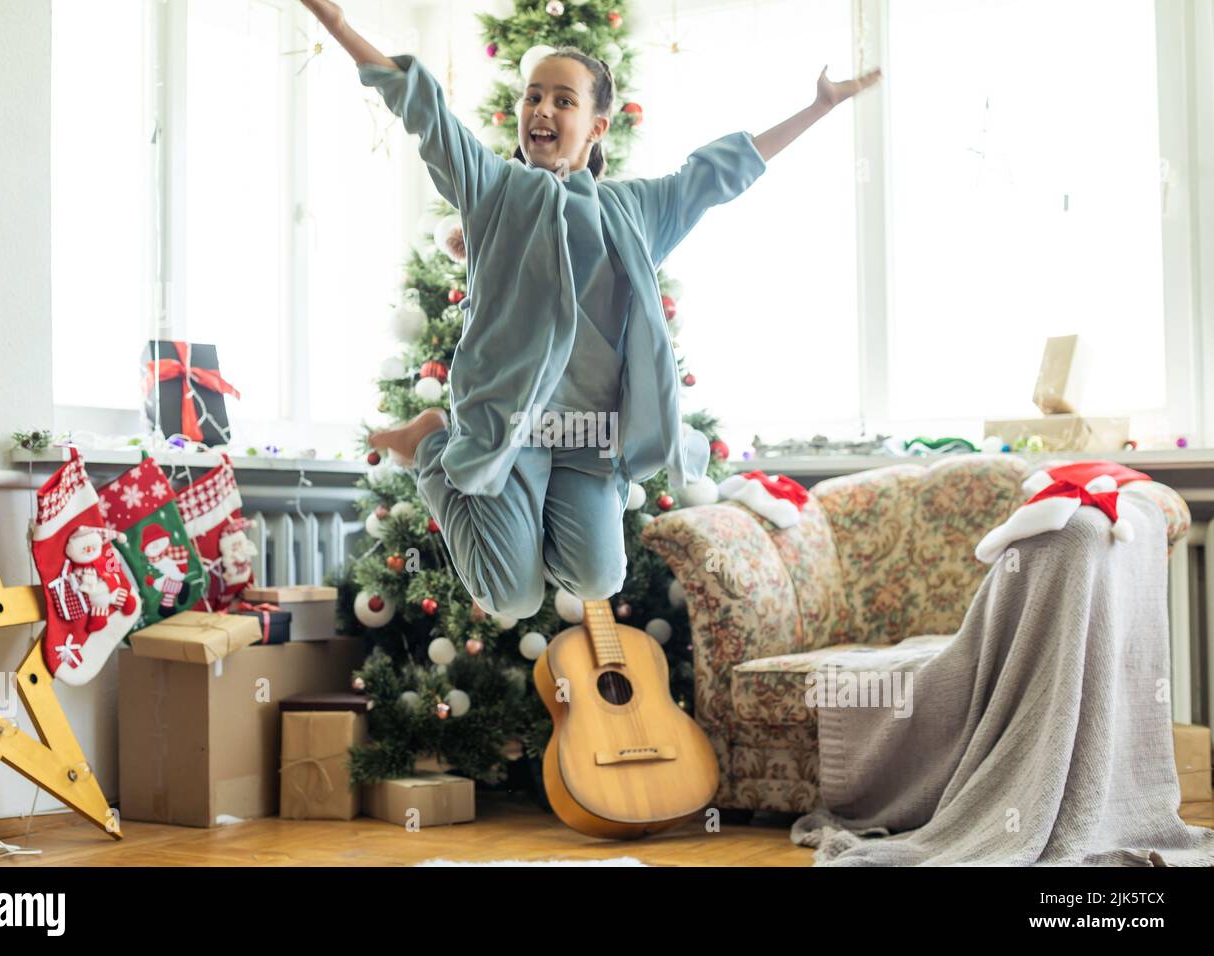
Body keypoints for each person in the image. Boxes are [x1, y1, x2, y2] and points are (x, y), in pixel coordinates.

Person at [300, 0, 881, 618]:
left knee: (598, 577)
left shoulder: (635, 211)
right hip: (509, 426)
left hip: (590, 439)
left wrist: (818, 108)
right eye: (532, 97)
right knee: (513, 597)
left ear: (598, 126)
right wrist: (338, 26)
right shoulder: (494, 191)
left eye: (564, 100)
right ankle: (431, 450)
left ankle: (534, 522)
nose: (542, 110)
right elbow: (425, 111)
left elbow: (718, 172)